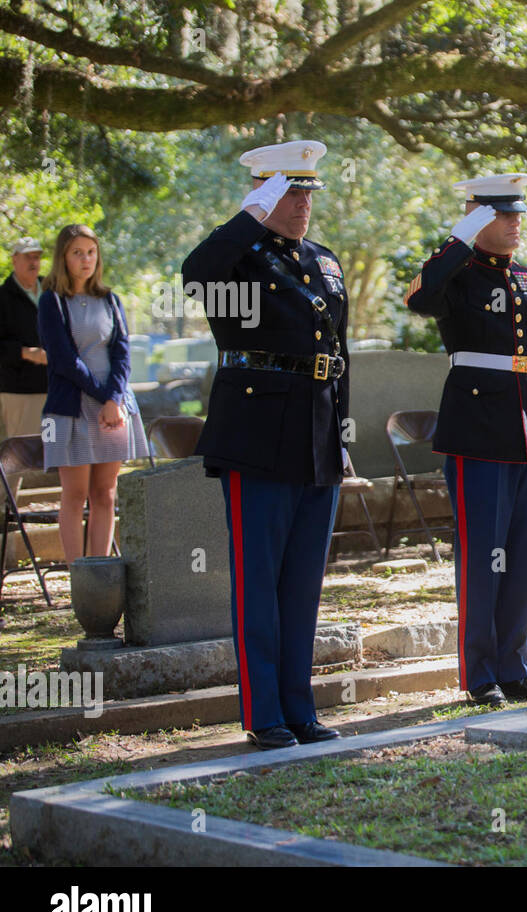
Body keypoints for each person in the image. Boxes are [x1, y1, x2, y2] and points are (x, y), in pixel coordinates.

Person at [181, 140, 349, 750]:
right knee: (260, 582)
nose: (302, 204)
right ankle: (266, 713)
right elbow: (194, 276)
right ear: (264, 194)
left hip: (316, 435)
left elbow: (338, 356)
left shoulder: (324, 263)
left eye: (307, 192)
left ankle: (300, 708)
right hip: (256, 434)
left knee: (302, 584)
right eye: (290, 192)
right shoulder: (237, 258)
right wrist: (248, 217)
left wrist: (341, 436)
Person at [404, 173, 527, 708]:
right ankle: (480, 673)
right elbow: (421, 299)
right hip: (478, 430)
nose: (517, 222)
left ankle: (516, 667)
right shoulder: (457, 276)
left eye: (519, 213)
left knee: (523, 557)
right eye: (503, 214)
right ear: (477, 218)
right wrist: (458, 236)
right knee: (484, 555)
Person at [36, 225, 146, 560]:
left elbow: (122, 352)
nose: (86, 259)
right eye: (77, 252)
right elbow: (64, 359)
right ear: (63, 258)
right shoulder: (51, 300)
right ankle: (79, 580)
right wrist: (102, 397)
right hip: (72, 406)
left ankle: (100, 574)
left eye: (91, 252)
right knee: (75, 493)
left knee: (105, 493)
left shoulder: (111, 299)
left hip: (112, 408)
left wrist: (114, 399)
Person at [0, 237, 49, 438]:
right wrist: (27, 353)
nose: (33, 262)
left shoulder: (52, 290)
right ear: (14, 260)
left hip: (55, 387)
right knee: (25, 456)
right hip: (19, 390)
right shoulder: (3, 297)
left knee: (55, 452)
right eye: (28, 257)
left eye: (36, 257)